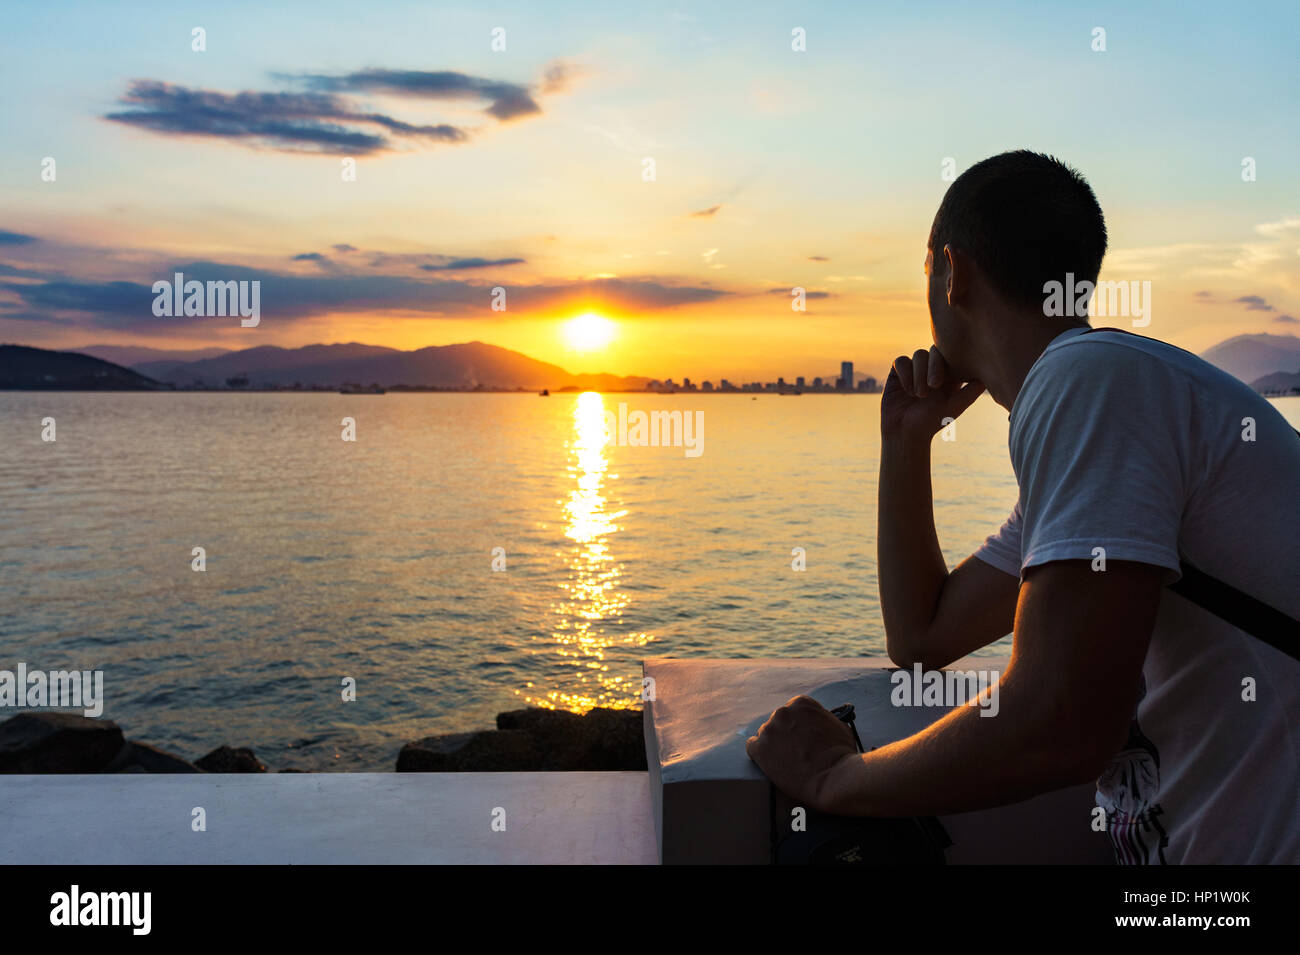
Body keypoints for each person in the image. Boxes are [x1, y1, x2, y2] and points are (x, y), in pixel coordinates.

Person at [746, 150, 1300, 864]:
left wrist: (837, 776)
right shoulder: (1109, 401)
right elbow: (923, 637)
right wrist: (906, 442)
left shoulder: (1088, 381)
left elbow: (1062, 721)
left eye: (924, 272)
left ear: (954, 272)